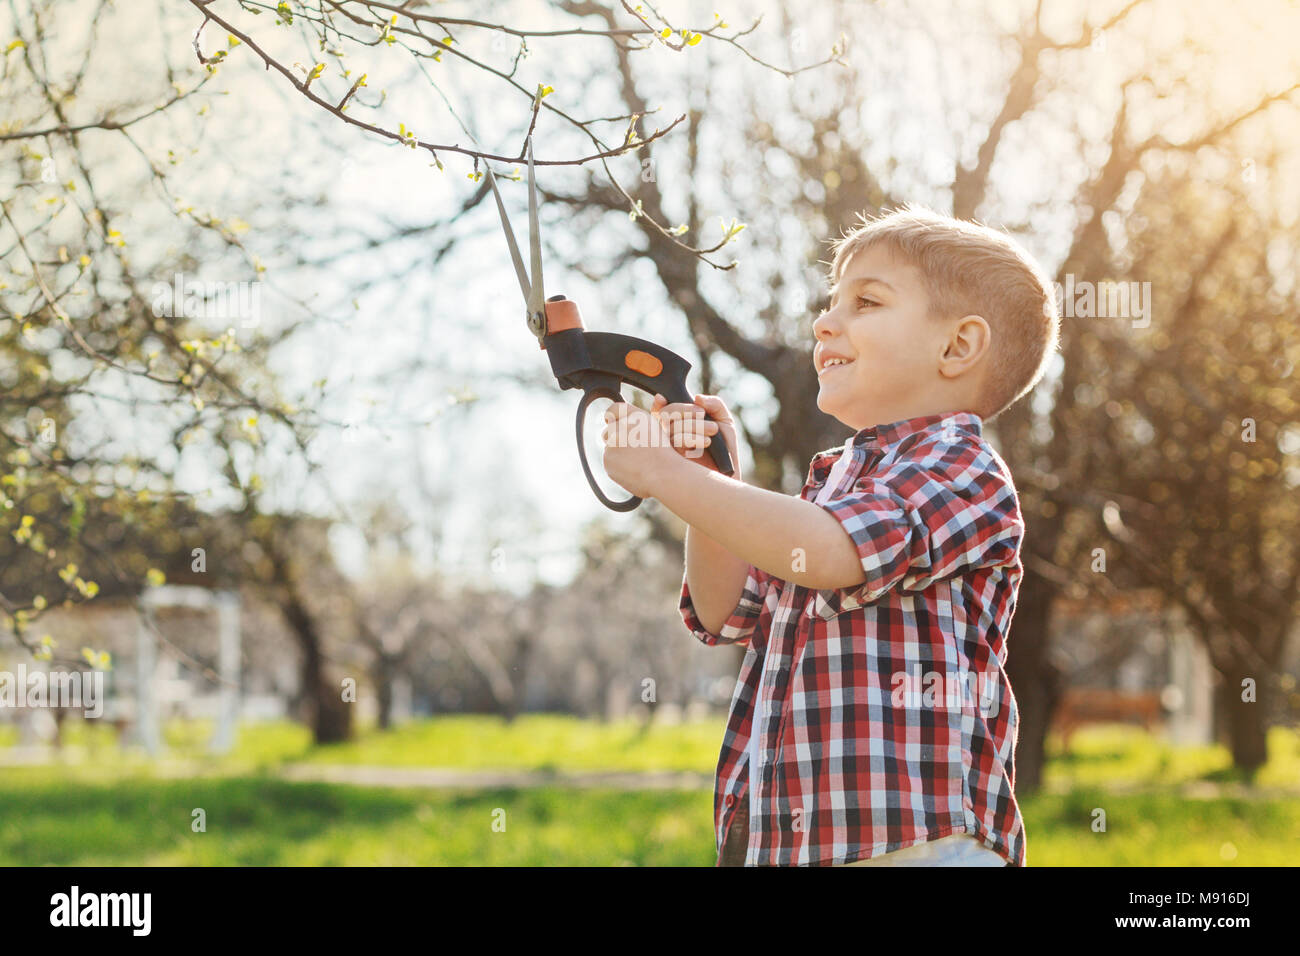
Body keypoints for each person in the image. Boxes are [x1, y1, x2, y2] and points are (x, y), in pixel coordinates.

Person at [601, 203, 1060, 866]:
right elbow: (723, 610)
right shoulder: (833, 484)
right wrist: (708, 477)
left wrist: (665, 477)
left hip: (918, 847)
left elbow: (834, 552)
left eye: (867, 301)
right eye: (830, 301)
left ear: (957, 346)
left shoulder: (961, 469)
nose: (824, 321)